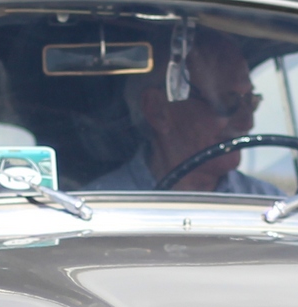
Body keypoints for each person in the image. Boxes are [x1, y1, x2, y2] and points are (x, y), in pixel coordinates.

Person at [85, 27, 282, 196]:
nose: (247, 123)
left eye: (250, 101)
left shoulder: (272, 207)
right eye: (227, 102)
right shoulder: (100, 213)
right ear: (158, 110)